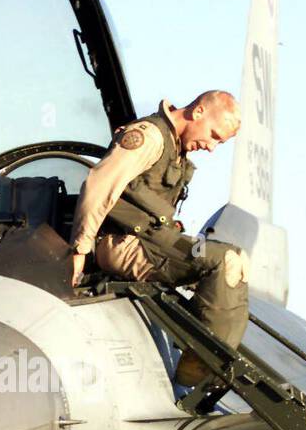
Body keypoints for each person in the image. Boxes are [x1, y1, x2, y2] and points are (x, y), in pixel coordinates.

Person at [68, 93, 248, 390]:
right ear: (198, 112)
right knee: (224, 260)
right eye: (214, 136)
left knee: (234, 257)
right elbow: (99, 185)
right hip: (119, 243)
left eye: (220, 143)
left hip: (152, 239)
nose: (212, 147)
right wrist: (80, 249)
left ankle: (206, 359)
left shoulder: (176, 149)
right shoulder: (149, 137)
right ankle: (203, 366)